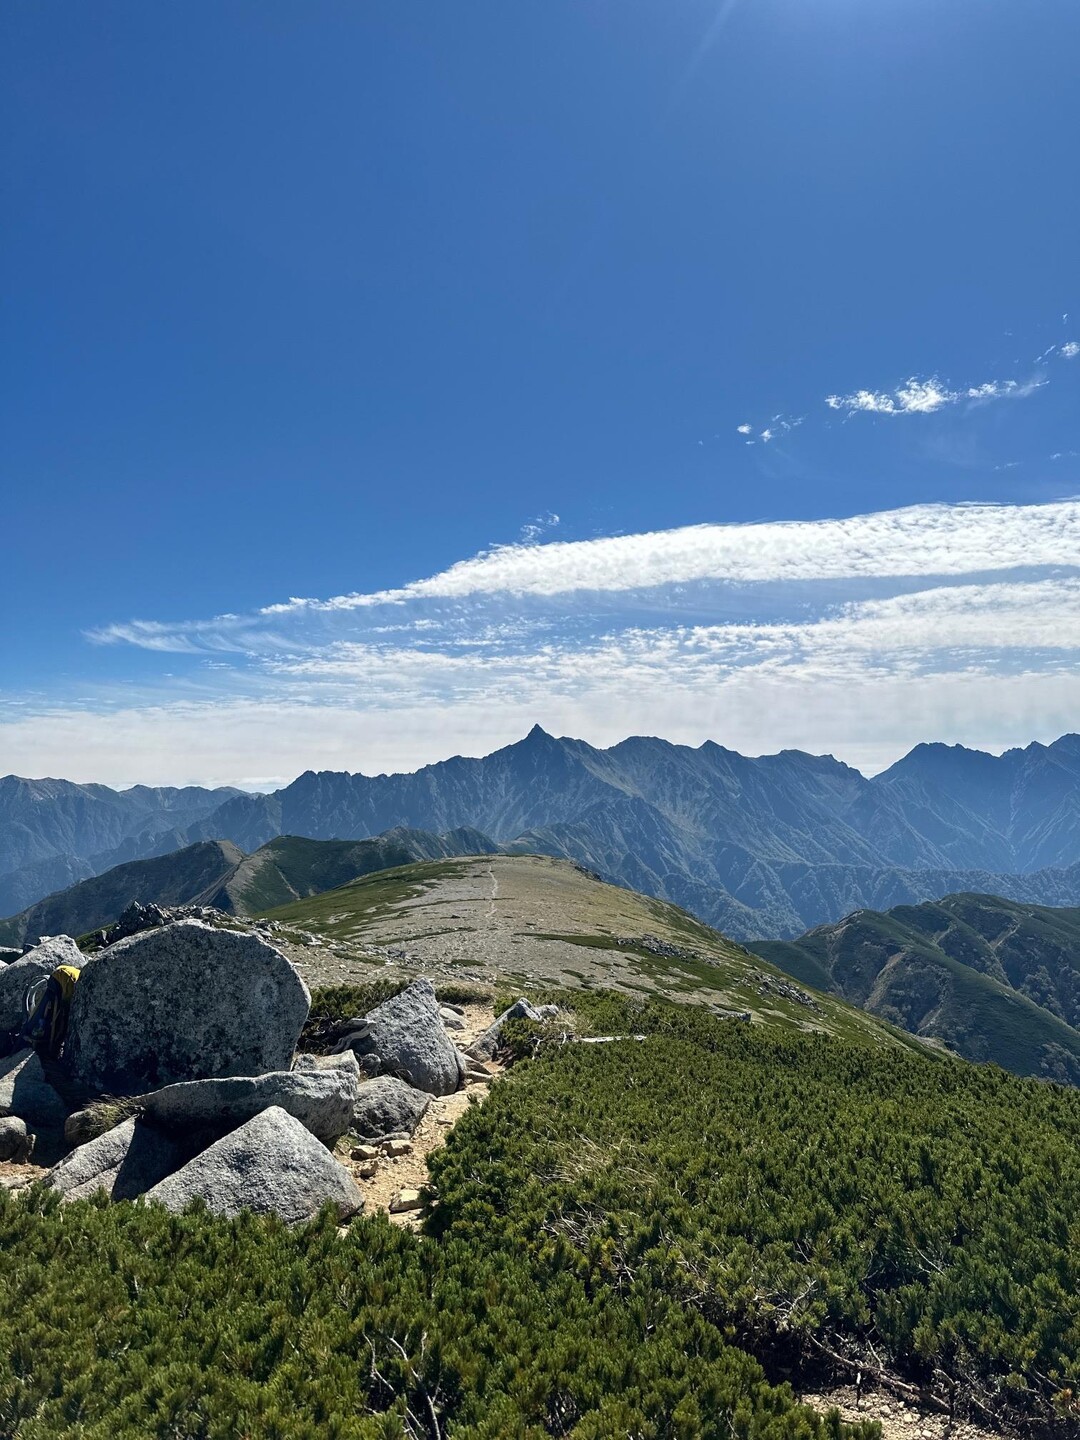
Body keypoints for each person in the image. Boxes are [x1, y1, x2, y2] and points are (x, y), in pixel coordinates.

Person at [21, 963, 81, 1062]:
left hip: (62, 976)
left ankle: (40, 1040)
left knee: (48, 1011)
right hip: (64, 978)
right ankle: (49, 1045)